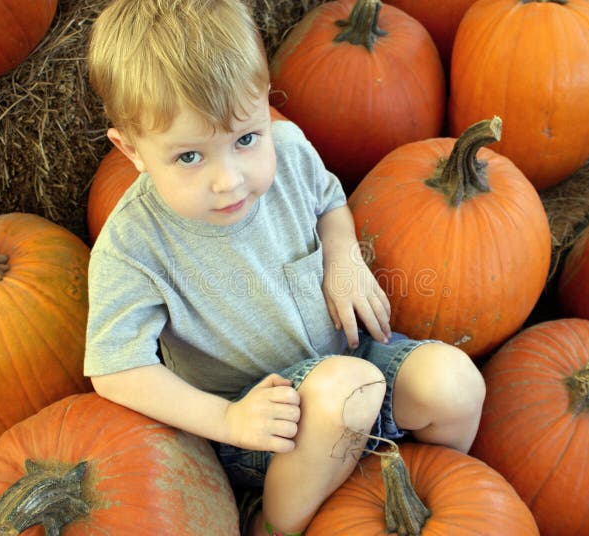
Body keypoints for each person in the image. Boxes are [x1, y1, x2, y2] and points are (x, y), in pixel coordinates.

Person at [84, 1, 486, 534]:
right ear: (131, 150)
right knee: (349, 391)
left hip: (353, 361)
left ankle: (418, 491)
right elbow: (116, 369)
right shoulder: (133, 245)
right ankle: (274, 524)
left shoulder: (292, 152)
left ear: (265, 103)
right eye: (189, 157)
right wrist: (228, 419)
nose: (229, 180)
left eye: (246, 139)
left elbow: (329, 202)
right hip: (255, 422)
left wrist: (343, 257)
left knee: (454, 384)